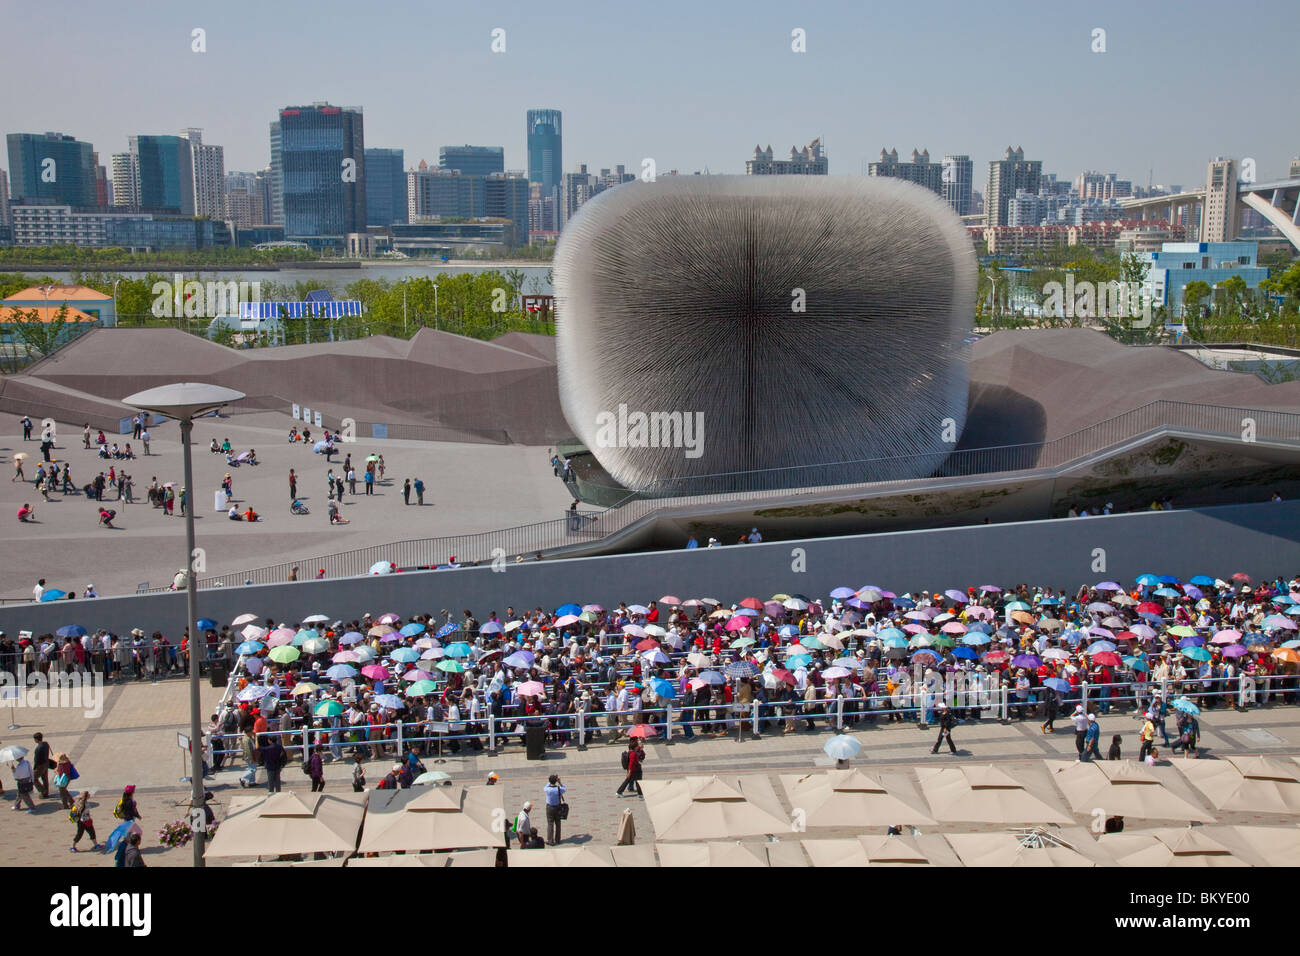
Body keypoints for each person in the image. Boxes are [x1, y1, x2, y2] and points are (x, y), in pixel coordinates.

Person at [544, 773, 566, 846]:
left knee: (550, 824)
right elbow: (564, 788)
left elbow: (546, 786)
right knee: (558, 823)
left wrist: (550, 780)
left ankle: (550, 840)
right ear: (556, 781)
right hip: (558, 807)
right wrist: (559, 782)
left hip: (549, 807)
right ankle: (558, 839)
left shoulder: (547, 789)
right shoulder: (559, 789)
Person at [31, 732, 51, 798]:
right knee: (45, 778)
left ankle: (43, 791)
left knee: (33, 778)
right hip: (46, 763)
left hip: (40, 766)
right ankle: (46, 793)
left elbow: (36, 760)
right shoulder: (46, 744)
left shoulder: (38, 748)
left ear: (36, 739)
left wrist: (34, 768)